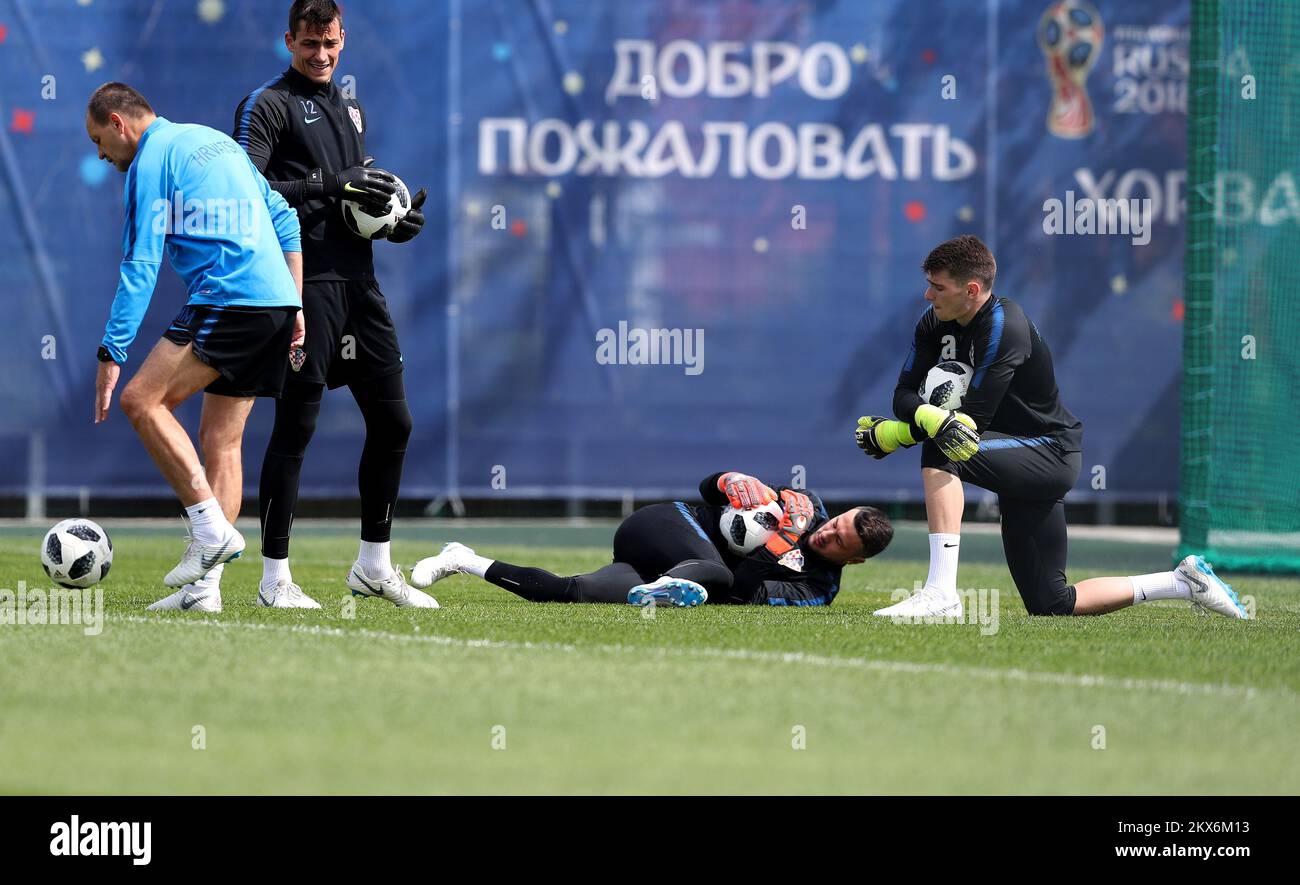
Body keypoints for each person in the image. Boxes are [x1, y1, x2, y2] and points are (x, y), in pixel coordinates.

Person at [855, 234, 1247, 620]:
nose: (928, 295)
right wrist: (921, 417)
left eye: (937, 287)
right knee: (1051, 603)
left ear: (971, 289)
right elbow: (903, 395)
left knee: (946, 446)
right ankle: (1182, 582)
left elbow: (970, 423)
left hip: (1049, 451)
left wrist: (897, 434)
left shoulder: (1004, 327)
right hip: (1013, 452)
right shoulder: (932, 322)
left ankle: (941, 594)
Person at [215, 0, 433, 610]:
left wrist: (394, 221)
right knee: (297, 426)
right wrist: (326, 184)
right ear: (289, 42)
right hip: (299, 284)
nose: (320, 53)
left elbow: (355, 188)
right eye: (308, 43)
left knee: (395, 422)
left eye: (330, 42)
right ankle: (274, 578)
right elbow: (245, 189)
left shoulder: (350, 103)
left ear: (344, 40)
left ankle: (374, 565)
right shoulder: (267, 104)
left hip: (359, 283)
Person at [86, 82, 304, 613]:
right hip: (272, 303)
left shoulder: (148, 162)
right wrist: (295, 301)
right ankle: (204, 592)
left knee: (142, 401)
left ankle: (210, 533)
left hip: (229, 299)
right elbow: (283, 214)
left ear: (119, 122)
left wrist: (112, 353)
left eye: (98, 140)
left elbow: (140, 265)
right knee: (221, 441)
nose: (100, 154)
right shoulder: (214, 141)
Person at [408, 472, 894, 607]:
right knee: (716, 573)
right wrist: (729, 480)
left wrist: (776, 545)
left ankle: (463, 558)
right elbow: (708, 490)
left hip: (664, 574)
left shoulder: (817, 588)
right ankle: (664, 591)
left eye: (836, 541)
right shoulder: (804, 504)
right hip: (667, 523)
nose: (826, 531)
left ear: (854, 562)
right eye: (836, 522)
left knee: (572, 592)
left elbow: (745, 592)